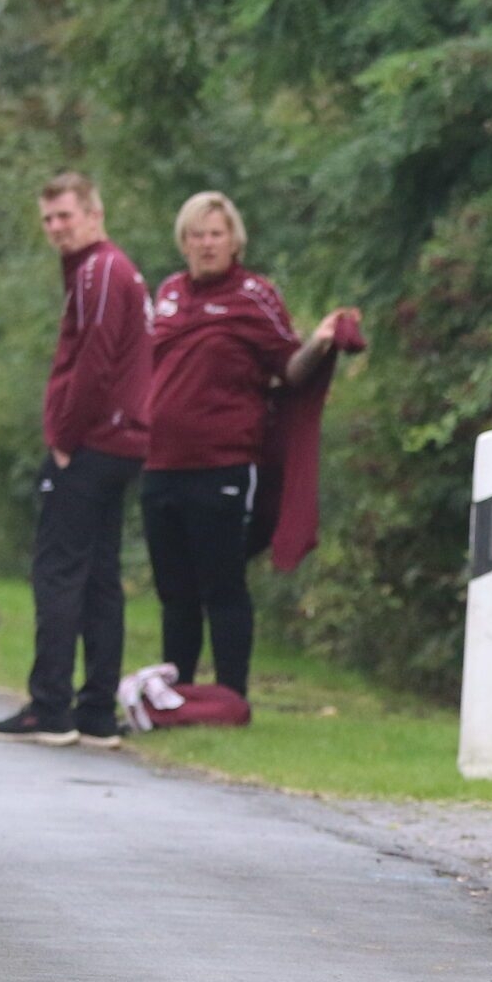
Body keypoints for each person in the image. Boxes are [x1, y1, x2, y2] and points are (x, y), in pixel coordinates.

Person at [141, 191, 353, 702]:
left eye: (216, 234)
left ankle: (231, 696)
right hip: (161, 464)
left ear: (234, 240)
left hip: (223, 465)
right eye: (197, 235)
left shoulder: (254, 295)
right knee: (176, 593)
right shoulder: (167, 294)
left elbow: (288, 368)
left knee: (222, 585)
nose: (206, 244)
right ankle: (179, 697)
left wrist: (321, 342)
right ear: (184, 243)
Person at [0, 172, 152, 748]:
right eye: (49, 219)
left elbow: (96, 360)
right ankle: (97, 712)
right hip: (121, 442)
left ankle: (50, 706)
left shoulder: (100, 271)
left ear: (94, 214)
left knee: (58, 571)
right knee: (101, 574)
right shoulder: (106, 270)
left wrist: (64, 432)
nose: (56, 228)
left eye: (65, 216)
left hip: (94, 443)